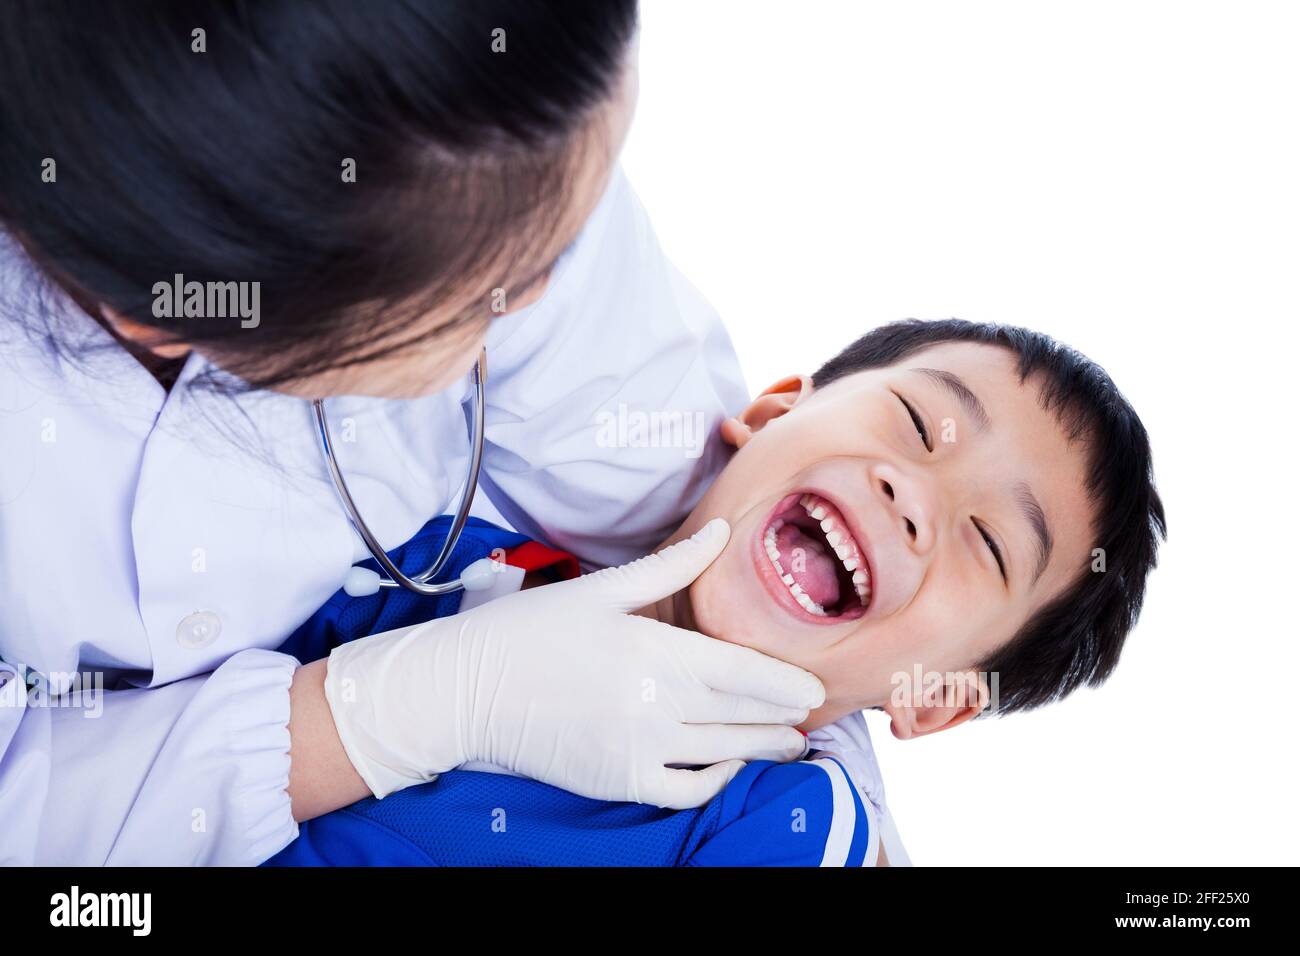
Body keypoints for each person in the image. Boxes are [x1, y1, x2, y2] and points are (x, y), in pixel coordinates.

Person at [0, 1, 823, 866]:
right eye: (489, 292)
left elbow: (707, 500)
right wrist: (385, 716)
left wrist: (838, 754)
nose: (547, 294)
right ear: (161, 318)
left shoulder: (486, 127)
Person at [266, 318, 1167, 866]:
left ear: (936, 702)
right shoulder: (450, 565)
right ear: (773, 415)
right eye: (915, 423)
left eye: (986, 544)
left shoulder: (791, 820)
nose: (915, 497)